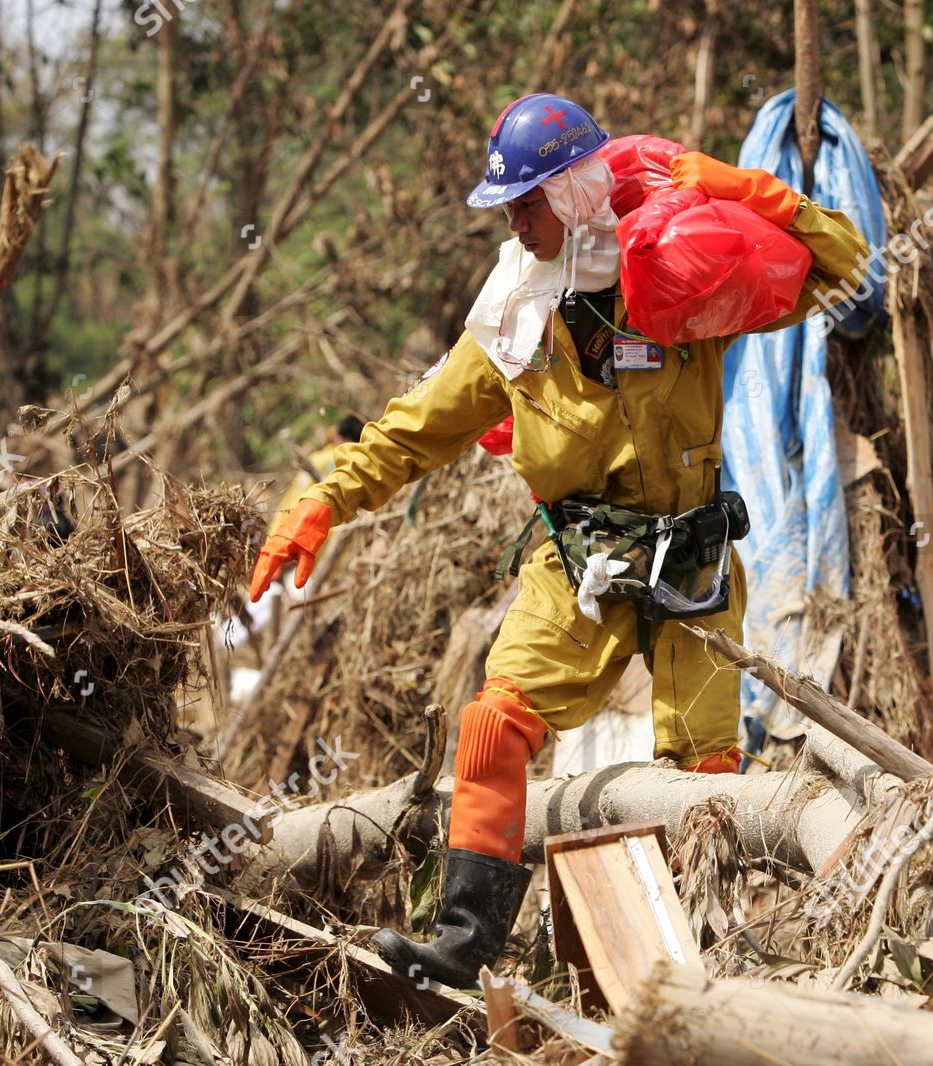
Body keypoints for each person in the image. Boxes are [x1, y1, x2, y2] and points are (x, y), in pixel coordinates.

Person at [249, 92, 869, 987]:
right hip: (576, 562)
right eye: (506, 205)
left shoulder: (681, 264)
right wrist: (321, 500)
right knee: (493, 727)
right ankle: (462, 947)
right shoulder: (512, 316)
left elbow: (846, 269)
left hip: (690, 558)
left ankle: (710, 967)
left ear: (579, 191)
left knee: (708, 775)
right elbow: (410, 432)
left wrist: (760, 194)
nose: (513, 220)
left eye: (528, 200)